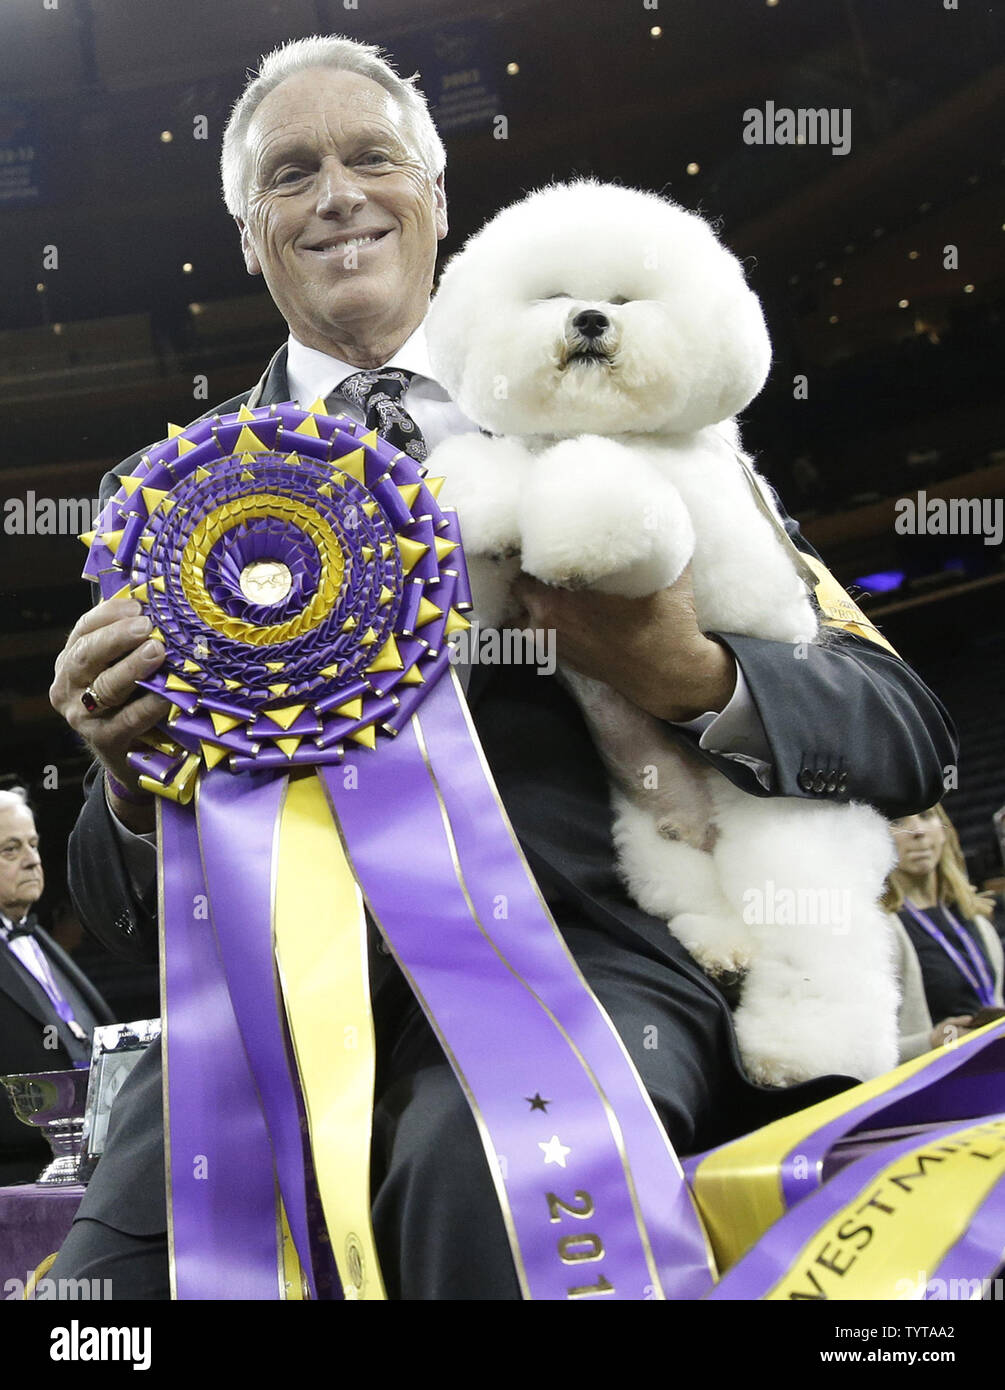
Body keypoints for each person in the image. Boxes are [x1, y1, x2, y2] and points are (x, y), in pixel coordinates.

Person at [47, 35, 957, 1299]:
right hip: (269, 1031)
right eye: (291, 173)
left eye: (373, 158)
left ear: (436, 200)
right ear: (252, 232)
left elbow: (906, 730)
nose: (337, 195)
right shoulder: (169, 500)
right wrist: (127, 771)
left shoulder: (622, 407)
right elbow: (121, 905)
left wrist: (689, 669)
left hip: (599, 967)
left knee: (473, 1174)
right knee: (93, 1303)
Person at [0, 787, 112, 1184]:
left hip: (92, 1169)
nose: (32, 860)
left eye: (33, 845)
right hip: (19, 1180)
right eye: (10, 850)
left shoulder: (38, 940)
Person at [885, 804, 1004, 1062]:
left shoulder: (976, 919)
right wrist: (931, 1041)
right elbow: (867, 1051)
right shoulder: (881, 933)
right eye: (898, 820)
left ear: (944, 832)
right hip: (934, 1089)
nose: (917, 831)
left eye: (926, 816)